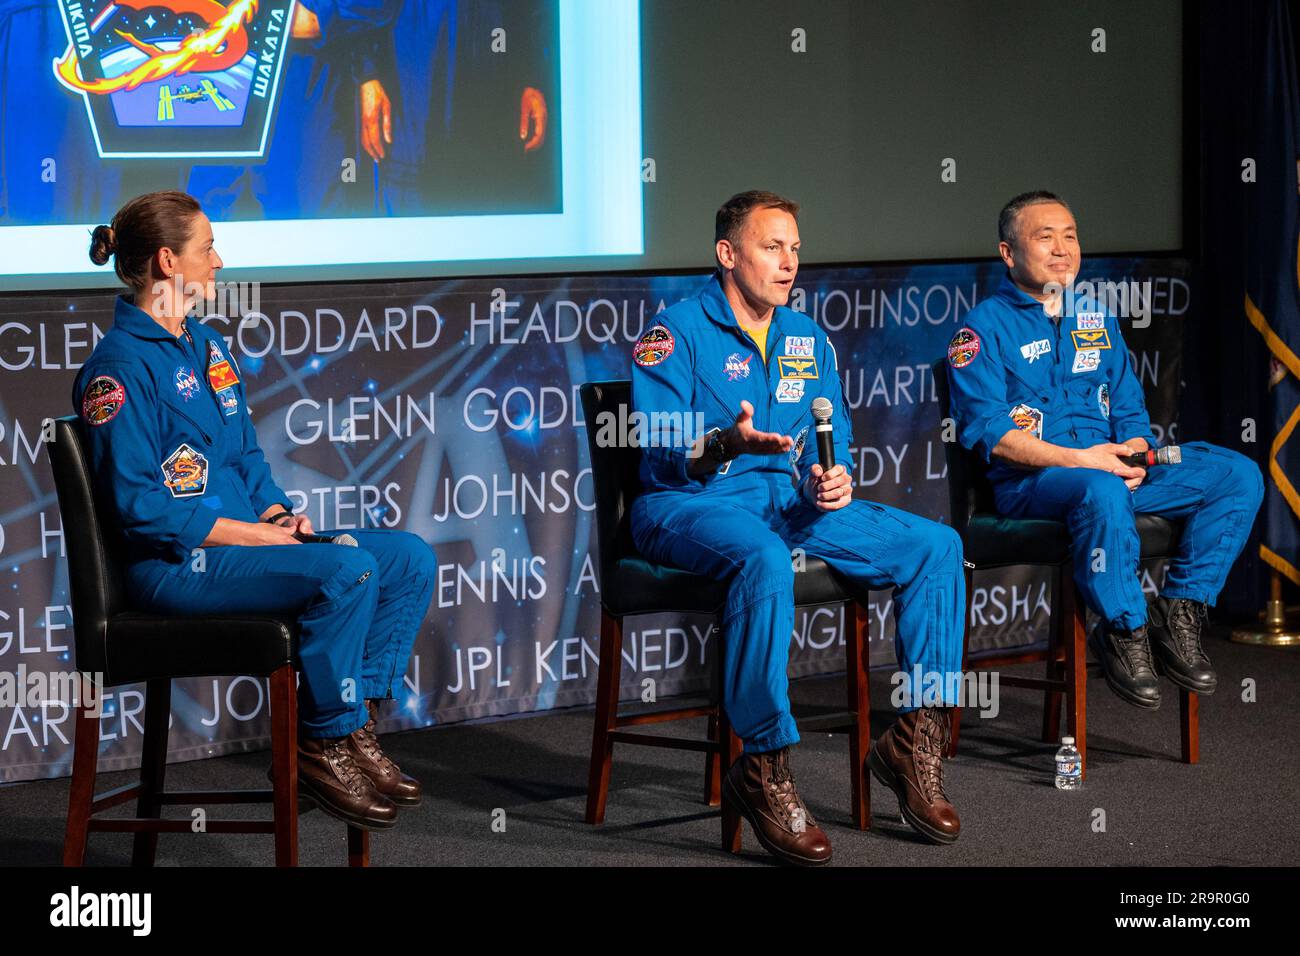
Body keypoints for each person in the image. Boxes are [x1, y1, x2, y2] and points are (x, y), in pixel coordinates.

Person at [72, 190, 437, 830]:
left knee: (407, 559)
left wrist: (275, 516)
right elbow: (140, 508)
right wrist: (256, 539)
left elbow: (244, 454)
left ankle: (352, 732)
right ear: (166, 261)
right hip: (179, 567)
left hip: (242, 547)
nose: (219, 261)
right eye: (206, 247)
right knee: (344, 573)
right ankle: (320, 743)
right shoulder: (118, 369)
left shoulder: (209, 345)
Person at [630, 190, 967, 865]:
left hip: (788, 505)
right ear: (728, 254)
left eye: (794, 249)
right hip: (688, 504)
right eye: (770, 247)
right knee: (762, 557)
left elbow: (827, 437)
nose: (788, 263)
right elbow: (658, 446)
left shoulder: (808, 337)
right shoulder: (673, 331)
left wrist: (828, 475)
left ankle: (914, 739)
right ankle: (763, 764)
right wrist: (727, 442)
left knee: (936, 545)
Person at [945, 190, 1263, 710]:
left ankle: (1178, 612)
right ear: (1008, 253)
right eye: (1044, 237)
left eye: (1070, 235)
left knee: (1236, 473)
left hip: (1112, 474)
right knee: (1099, 488)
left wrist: (1136, 450)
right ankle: (1123, 628)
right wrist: (1087, 461)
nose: (1062, 248)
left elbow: (1132, 411)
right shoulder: (980, 330)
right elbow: (994, 437)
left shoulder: (1095, 317)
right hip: (1039, 486)